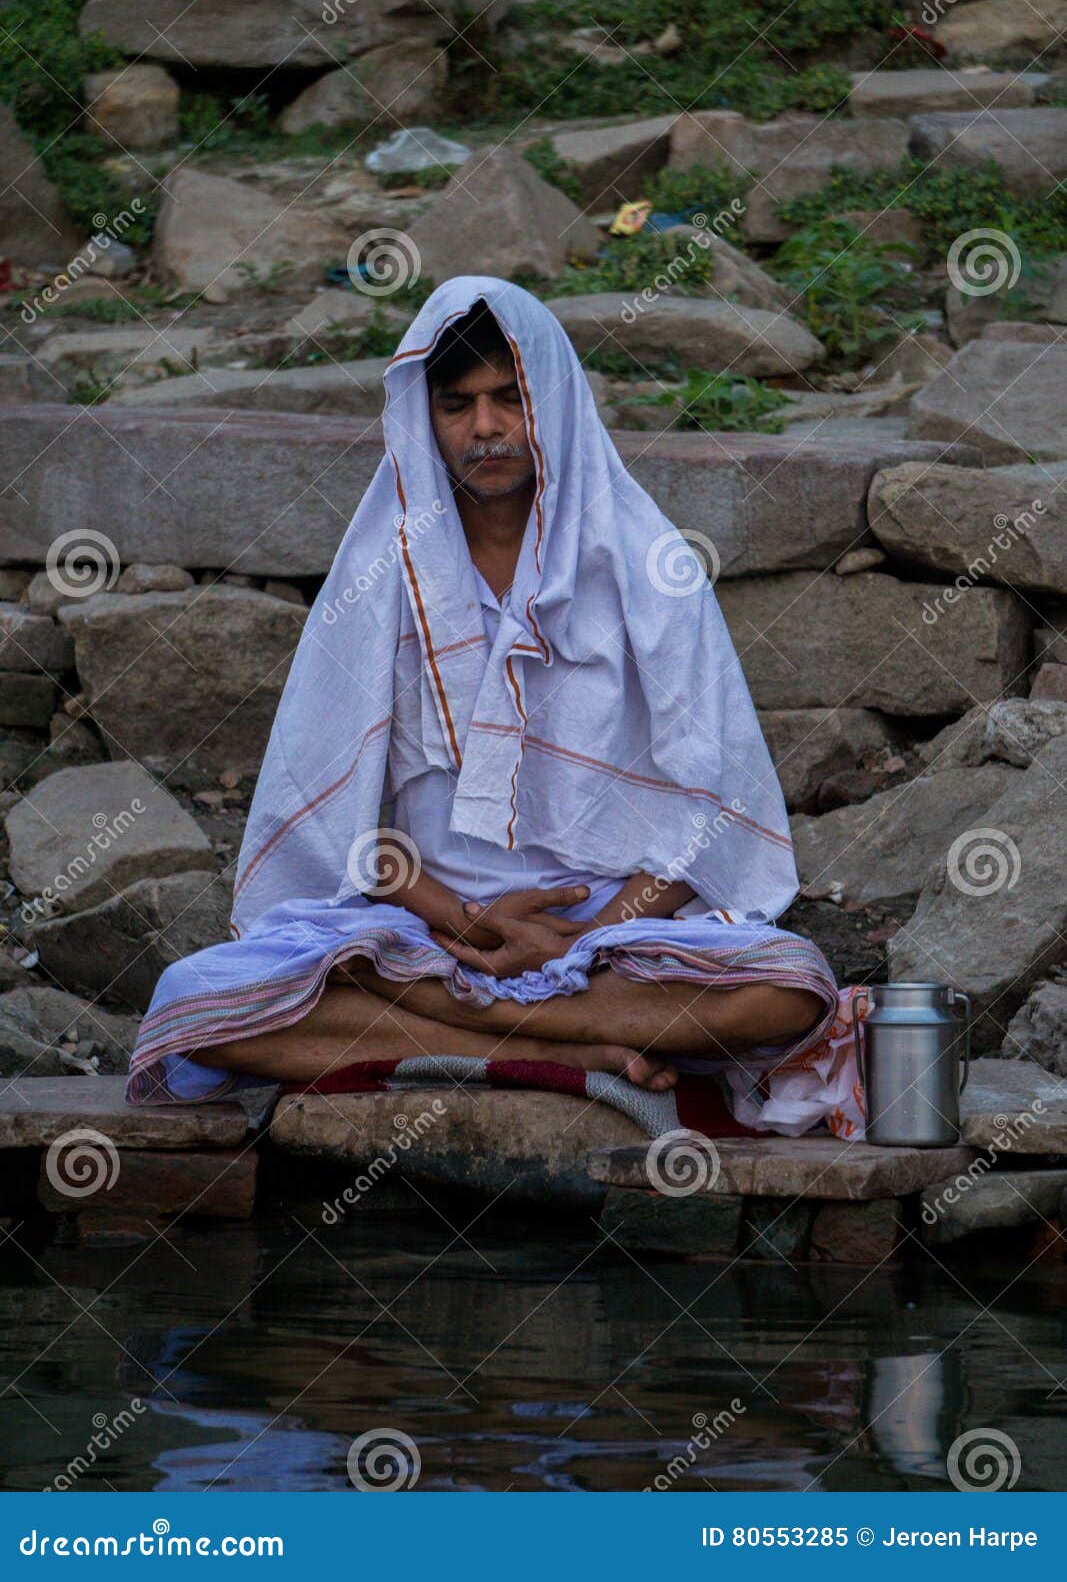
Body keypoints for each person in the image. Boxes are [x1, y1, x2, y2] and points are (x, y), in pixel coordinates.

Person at [126, 276, 846, 1122]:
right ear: (424, 420)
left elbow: (714, 809)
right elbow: (337, 826)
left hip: (616, 941)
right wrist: (463, 921)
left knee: (786, 987)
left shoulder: (646, 564)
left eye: (510, 398)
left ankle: (491, 1033)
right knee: (196, 1001)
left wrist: (582, 935)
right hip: (424, 933)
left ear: (553, 402)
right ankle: (550, 1047)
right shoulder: (382, 571)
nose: (487, 428)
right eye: (458, 405)